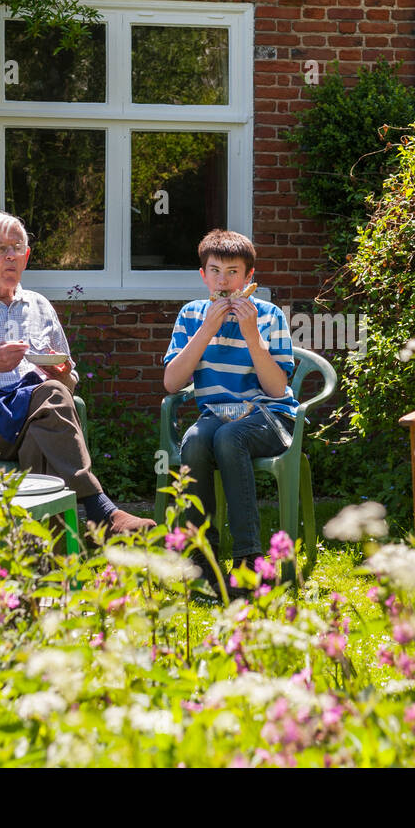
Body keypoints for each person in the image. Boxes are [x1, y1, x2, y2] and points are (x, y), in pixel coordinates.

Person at [0, 212, 153, 535]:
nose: (10, 256)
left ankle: (44, 557)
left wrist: (60, 373)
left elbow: (69, 384)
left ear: (26, 257)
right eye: (0, 249)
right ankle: (100, 510)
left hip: (37, 417)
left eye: (17, 248)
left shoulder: (39, 306)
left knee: (45, 416)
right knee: (50, 398)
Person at [163, 229, 299, 590]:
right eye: (215, 271)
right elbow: (172, 383)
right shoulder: (192, 315)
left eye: (233, 272)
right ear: (203, 275)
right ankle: (201, 558)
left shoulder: (268, 316)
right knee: (194, 441)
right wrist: (207, 329)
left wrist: (252, 336)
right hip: (216, 415)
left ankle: (247, 559)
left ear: (249, 277)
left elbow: (277, 388)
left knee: (228, 438)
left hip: (271, 416)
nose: (223, 281)